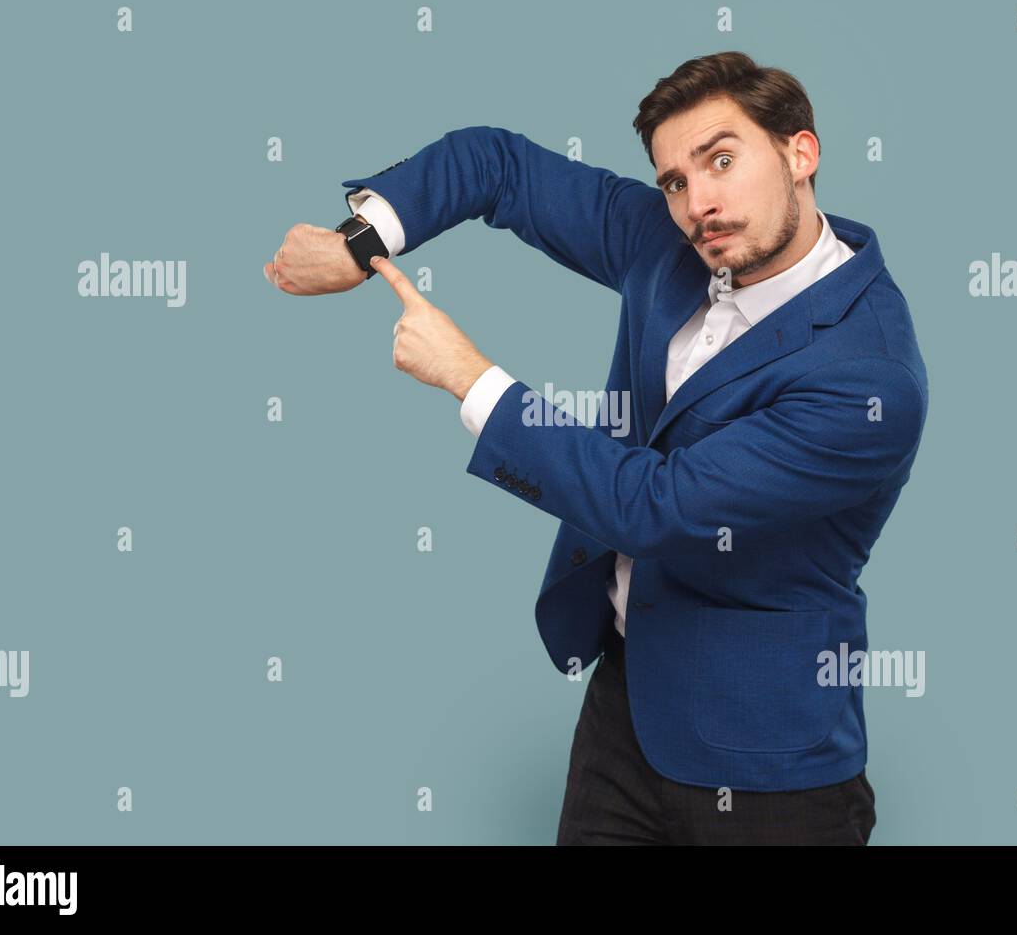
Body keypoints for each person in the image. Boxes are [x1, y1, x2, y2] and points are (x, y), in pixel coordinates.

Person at [265, 51, 928, 845]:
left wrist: (470, 378)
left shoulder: (869, 375)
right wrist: (360, 240)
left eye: (722, 160)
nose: (698, 204)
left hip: (766, 765)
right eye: (675, 181)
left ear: (800, 153)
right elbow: (498, 165)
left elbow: (658, 507)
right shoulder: (673, 245)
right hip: (625, 708)